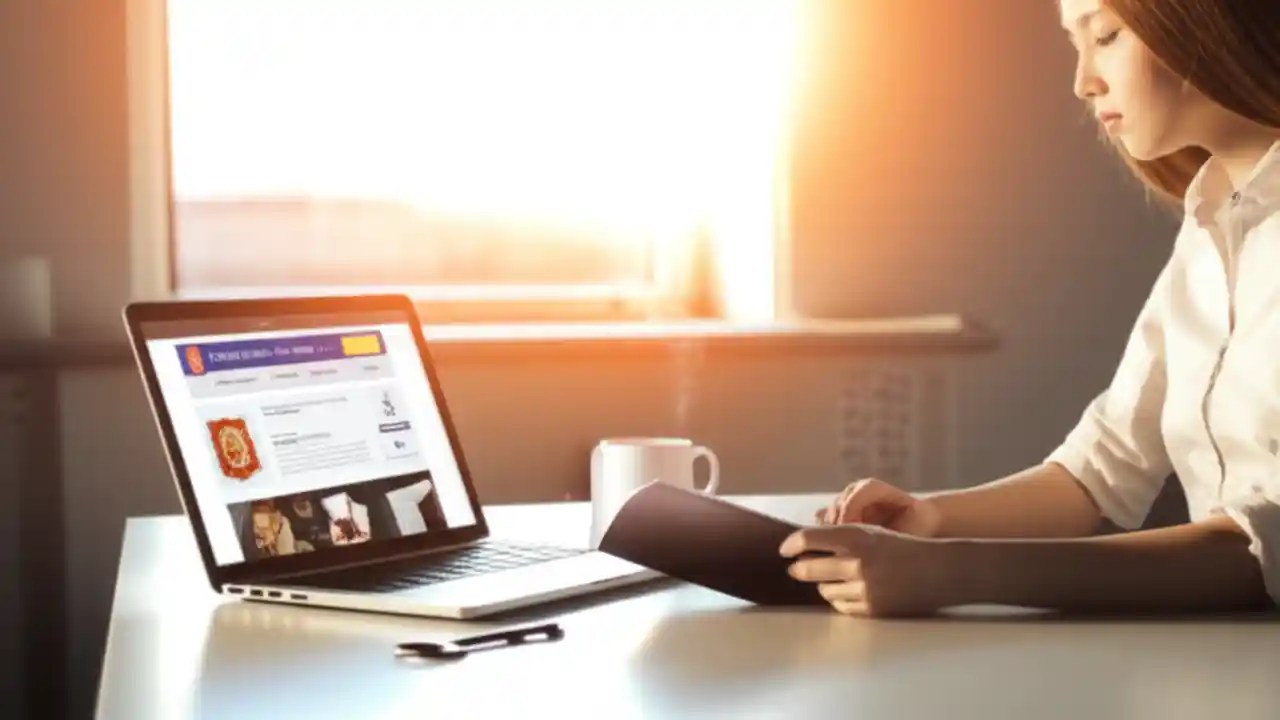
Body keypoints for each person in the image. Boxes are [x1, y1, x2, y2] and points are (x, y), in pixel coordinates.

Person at [780, 0, 1280, 617]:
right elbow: (1099, 467)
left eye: (1106, 35)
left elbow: (1263, 551)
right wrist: (927, 519)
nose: (1082, 81)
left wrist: (954, 572)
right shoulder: (1210, 227)